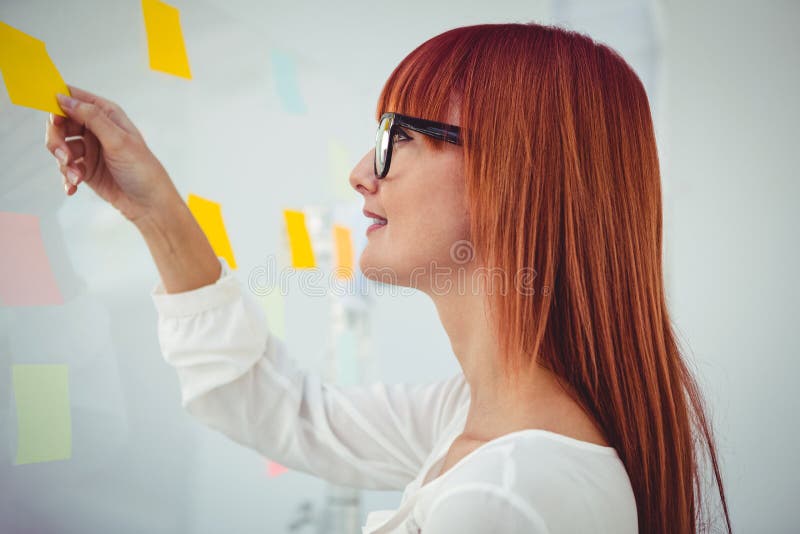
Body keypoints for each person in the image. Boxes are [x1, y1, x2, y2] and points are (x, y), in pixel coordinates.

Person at [44, 22, 732, 534]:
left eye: (395, 138)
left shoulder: (505, 498)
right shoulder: (473, 420)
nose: (360, 175)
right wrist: (154, 206)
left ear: (509, 174)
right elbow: (284, 412)